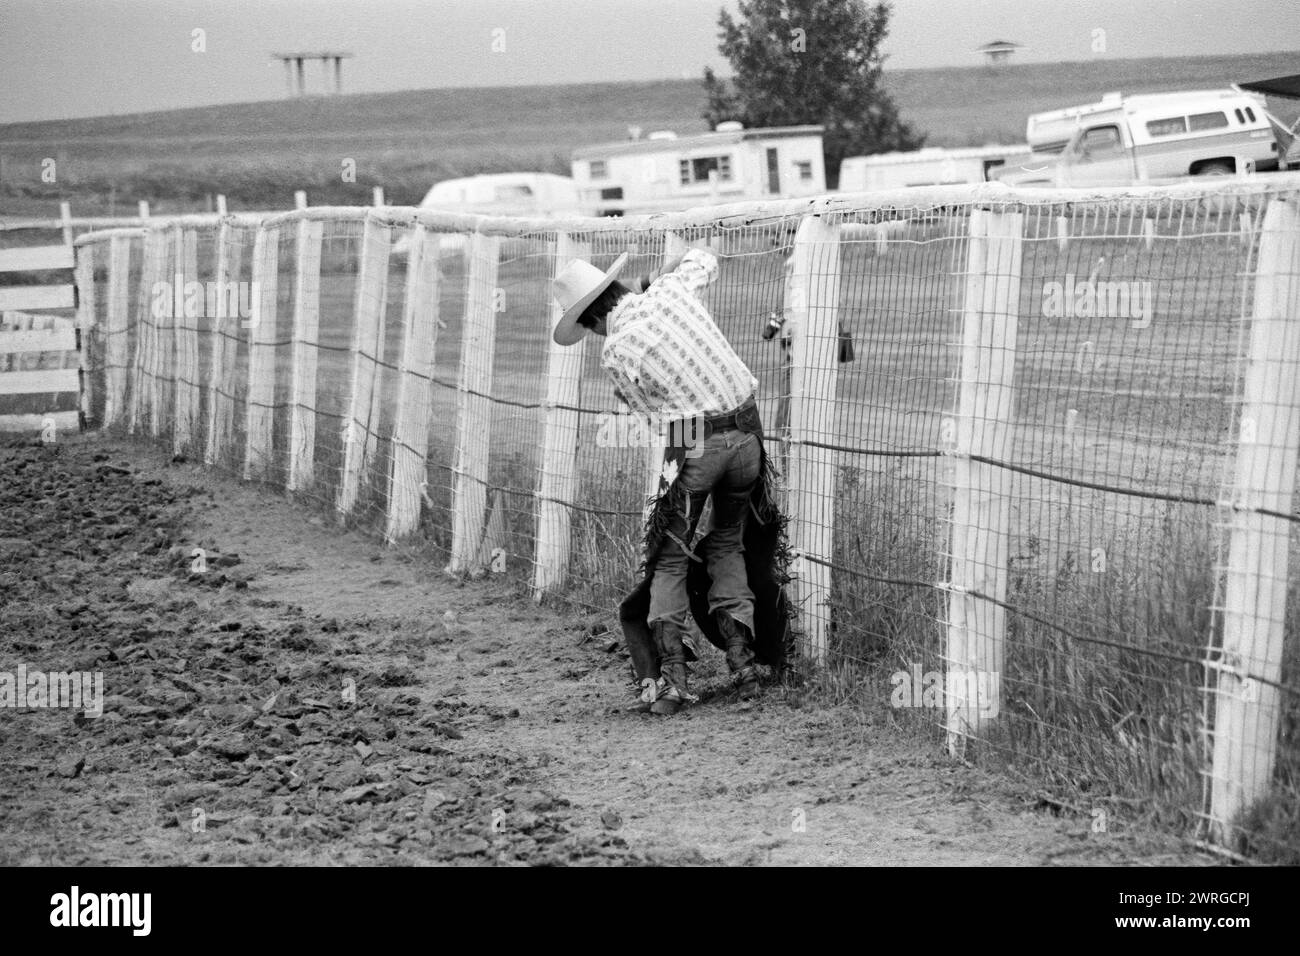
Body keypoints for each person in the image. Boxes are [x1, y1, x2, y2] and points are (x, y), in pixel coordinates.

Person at [551, 246, 767, 714]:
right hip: (748, 432)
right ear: (617, 287)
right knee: (728, 541)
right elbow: (705, 257)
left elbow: (657, 422)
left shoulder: (615, 350)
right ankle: (744, 663)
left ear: (590, 322)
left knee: (670, 557)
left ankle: (673, 678)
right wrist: (656, 277)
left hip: (693, 440)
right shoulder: (670, 289)